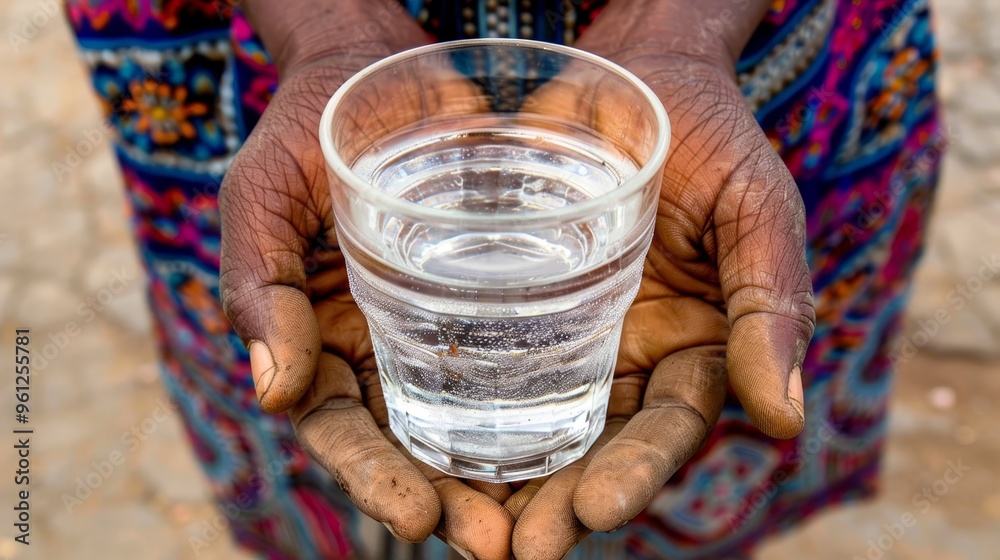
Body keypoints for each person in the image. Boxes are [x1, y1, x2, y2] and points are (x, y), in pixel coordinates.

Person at [66, 0, 941, 558]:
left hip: (742, 68)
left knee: (688, 481)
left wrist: (683, 30)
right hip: (283, 72)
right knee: (316, 462)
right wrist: (329, 26)